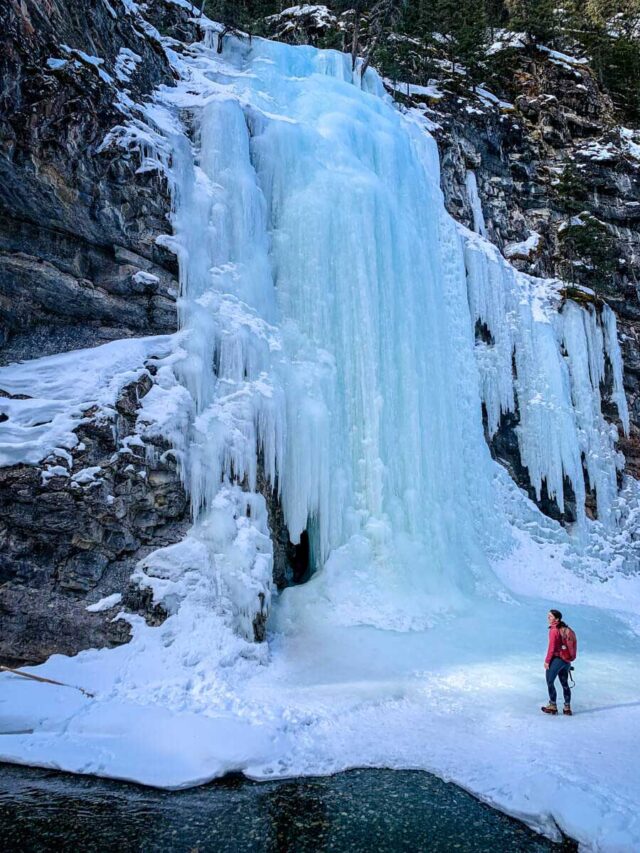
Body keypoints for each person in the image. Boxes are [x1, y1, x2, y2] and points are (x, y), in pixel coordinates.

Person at [541, 609, 572, 716]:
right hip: (566, 661)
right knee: (565, 684)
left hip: (557, 660)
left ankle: (553, 705)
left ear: (557, 619)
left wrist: (547, 661)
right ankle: (567, 707)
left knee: (550, 682)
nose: (548, 618)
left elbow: (552, 647)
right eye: (548, 616)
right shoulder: (564, 628)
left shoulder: (554, 630)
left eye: (550, 616)